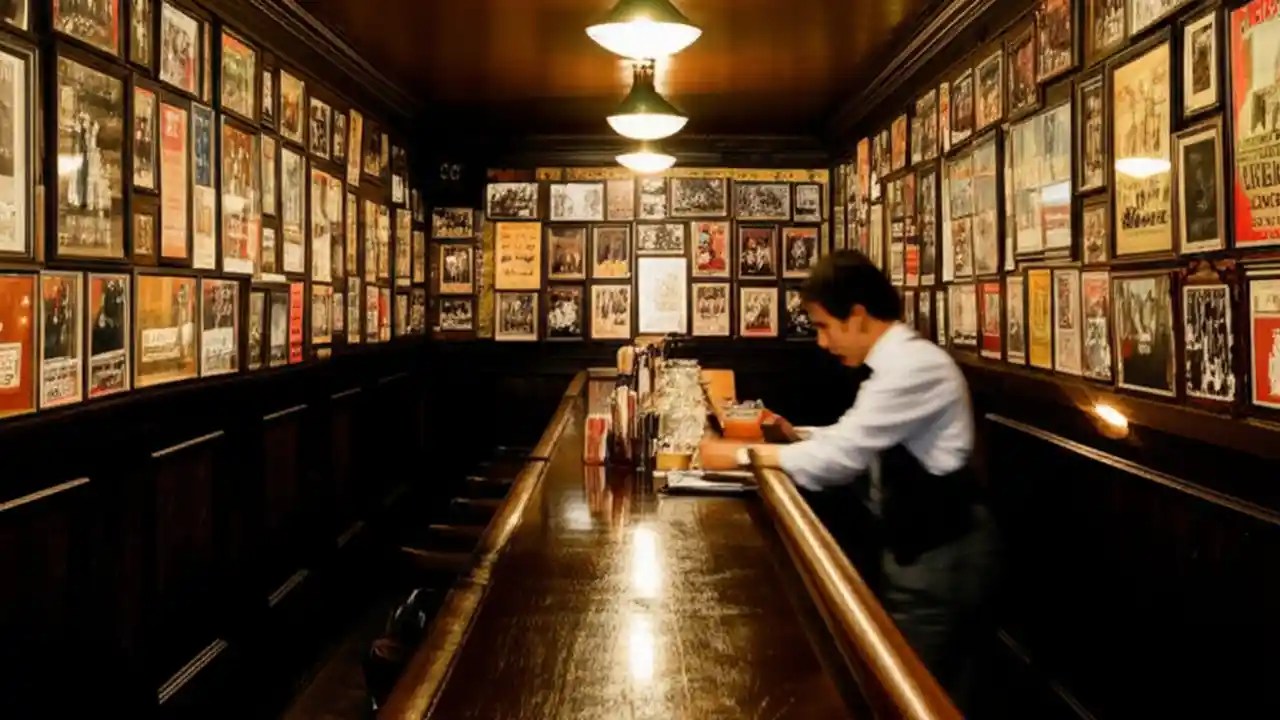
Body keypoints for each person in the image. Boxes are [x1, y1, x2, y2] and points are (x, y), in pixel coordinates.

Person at [700, 249, 1001, 715]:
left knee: (913, 699)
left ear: (858, 316)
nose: (822, 342)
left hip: (943, 557)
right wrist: (796, 434)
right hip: (920, 548)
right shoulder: (897, 363)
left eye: (824, 326)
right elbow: (855, 435)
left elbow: (840, 459)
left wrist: (740, 454)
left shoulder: (912, 368)